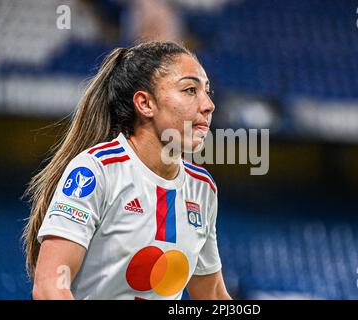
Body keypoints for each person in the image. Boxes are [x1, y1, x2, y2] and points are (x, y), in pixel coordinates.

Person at [22, 41, 231, 300]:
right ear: (145, 103)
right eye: (190, 90)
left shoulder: (202, 188)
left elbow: (212, 296)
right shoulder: (96, 171)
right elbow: (50, 287)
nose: (208, 105)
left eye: (207, 91)